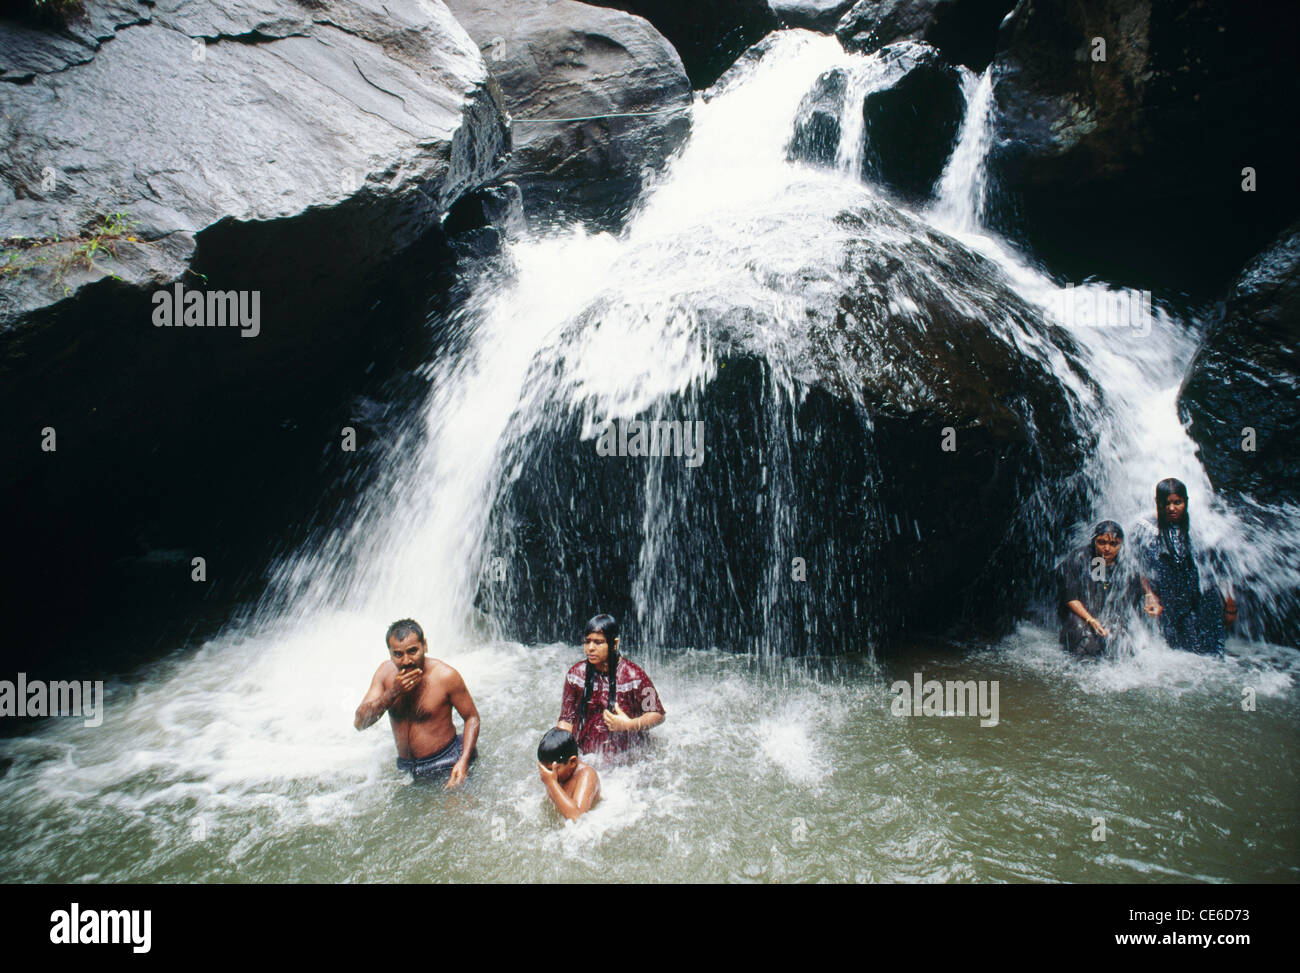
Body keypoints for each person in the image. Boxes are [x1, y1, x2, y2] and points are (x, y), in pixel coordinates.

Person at [354, 618, 481, 787]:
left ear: (425, 646)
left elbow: (472, 718)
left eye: (413, 651)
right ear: (390, 653)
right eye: (398, 654)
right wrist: (392, 693)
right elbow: (360, 723)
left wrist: (463, 762)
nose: (406, 661)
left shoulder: (445, 676)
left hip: (447, 761)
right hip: (406, 768)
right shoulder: (384, 674)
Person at [1132, 478, 1236, 656]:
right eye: (1167, 503)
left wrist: (1230, 605)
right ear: (1158, 503)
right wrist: (1149, 594)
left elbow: (1220, 569)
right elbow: (1137, 566)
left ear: (1186, 501)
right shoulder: (1145, 528)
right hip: (1168, 599)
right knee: (1178, 655)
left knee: (1211, 656)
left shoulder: (1201, 529)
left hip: (1203, 600)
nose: (1172, 508)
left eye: (1177, 502)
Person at [557, 614, 665, 757]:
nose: (590, 648)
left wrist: (630, 725)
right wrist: (561, 750)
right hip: (587, 755)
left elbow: (657, 714)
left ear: (614, 644)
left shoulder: (634, 677)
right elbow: (566, 719)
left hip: (628, 757)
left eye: (598, 642)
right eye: (587, 641)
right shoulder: (575, 675)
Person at [1056, 520, 1143, 658]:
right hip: (1080, 616)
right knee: (1083, 633)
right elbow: (1071, 598)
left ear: (1121, 544)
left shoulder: (1125, 565)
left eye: (1113, 544)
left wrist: (1150, 597)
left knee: (1122, 637)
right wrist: (1091, 620)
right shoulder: (1079, 558)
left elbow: (1133, 595)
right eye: (1102, 542)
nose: (1107, 548)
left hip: (1106, 616)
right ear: (1094, 541)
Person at [536, 727, 600, 821]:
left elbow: (578, 818)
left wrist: (552, 783)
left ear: (572, 762)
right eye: (545, 769)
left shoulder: (587, 775)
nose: (548, 774)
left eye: (552, 769)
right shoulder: (555, 775)